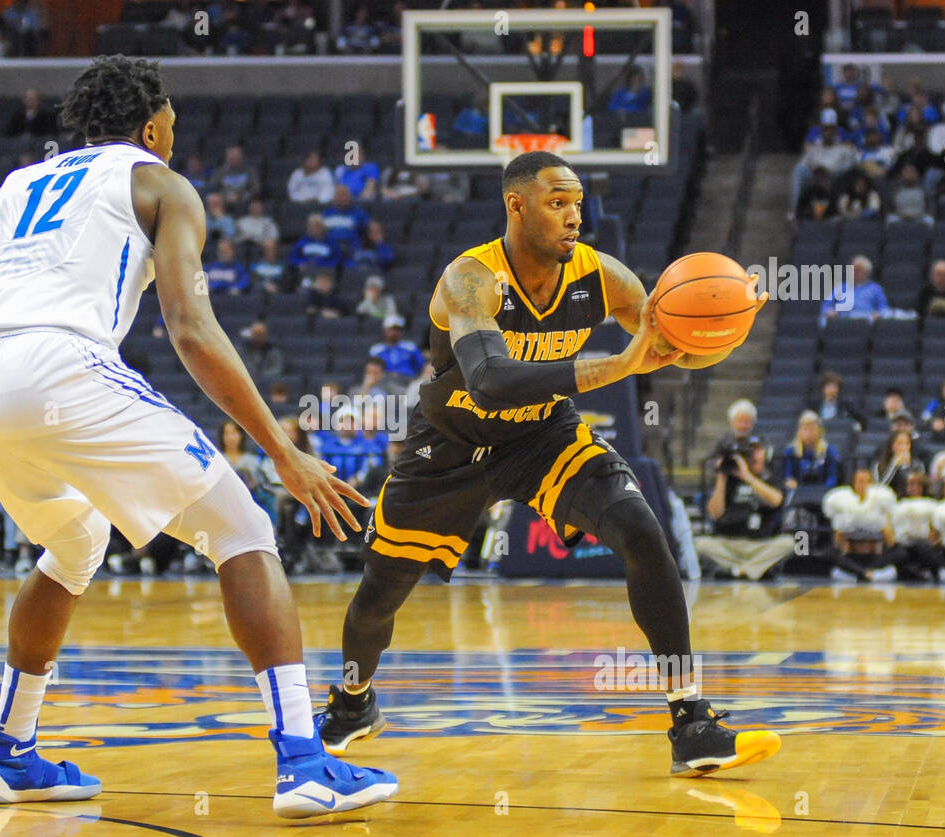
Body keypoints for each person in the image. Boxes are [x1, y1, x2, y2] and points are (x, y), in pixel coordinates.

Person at [0, 54, 396, 818]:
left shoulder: (17, 187)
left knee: (76, 544)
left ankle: (7, 751)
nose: (175, 137)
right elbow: (190, 328)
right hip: (62, 366)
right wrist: (283, 452)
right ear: (152, 126)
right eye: (173, 124)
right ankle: (305, 763)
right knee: (242, 529)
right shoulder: (160, 184)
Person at [321, 150, 779, 778]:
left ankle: (690, 721)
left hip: (543, 435)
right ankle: (353, 704)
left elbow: (664, 343)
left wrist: (721, 326)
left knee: (644, 533)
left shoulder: (602, 276)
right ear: (517, 206)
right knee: (379, 595)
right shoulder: (470, 280)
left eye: (578, 205)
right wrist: (619, 366)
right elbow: (489, 379)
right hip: (452, 445)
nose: (573, 217)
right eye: (558, 203)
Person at [695, 440, 796, 582]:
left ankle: (738, 570)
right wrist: (722, 477)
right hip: (729, 543)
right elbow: (715, 513)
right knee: (699, 544)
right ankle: (752, 569)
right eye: (749, 453)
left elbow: (776, 501)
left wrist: (747, 477)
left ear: (764, 454)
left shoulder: (770, 477)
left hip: (761, 544)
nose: (753, 456)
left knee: (789, 543)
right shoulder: (728, 479)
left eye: (757, 451)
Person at [820, 470, 900, 583]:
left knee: (901, 552)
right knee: (828, 553)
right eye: (860, 481)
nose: (864, 485)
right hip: (852, 556)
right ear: (854, 484)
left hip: (875, 558)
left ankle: (862, 573)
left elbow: (891, 543)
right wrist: (846, 525)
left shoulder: (881, 505)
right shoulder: (844, 503)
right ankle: (865, 573)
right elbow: (838, 545)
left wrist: (882, 524)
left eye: (868, 482)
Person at [873, 428, 927, 497]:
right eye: (899, 443)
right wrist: (894, 465)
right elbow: (879, 488)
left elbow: (918, 488)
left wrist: (907, 466)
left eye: (907, 443)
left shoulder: (917, 464)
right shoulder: (878, 465)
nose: (903, 447)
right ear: (891, 445)